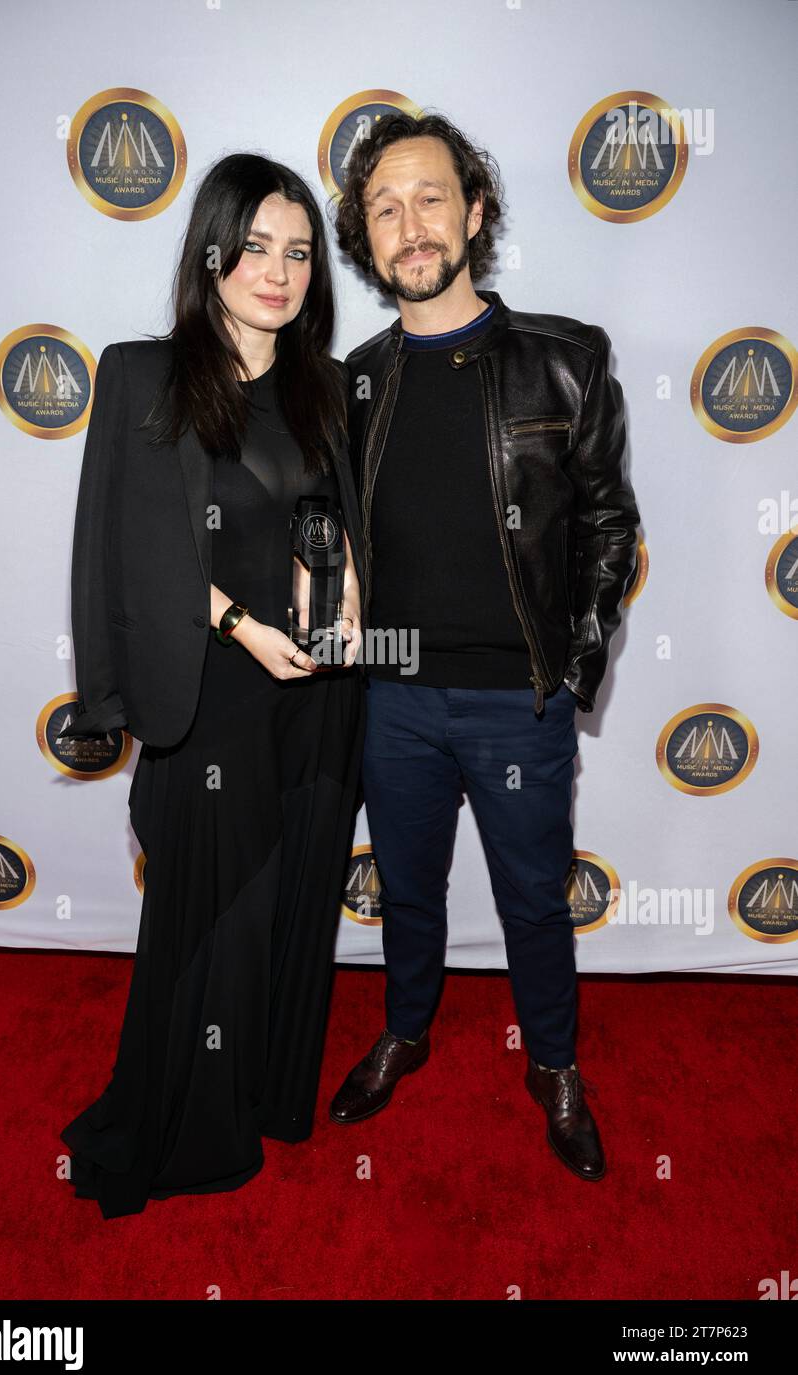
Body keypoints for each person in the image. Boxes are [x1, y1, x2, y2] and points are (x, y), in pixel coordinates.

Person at [329, 112, 642, 1181]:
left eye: (427, 198)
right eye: (382, 208)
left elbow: (609, 525)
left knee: (529, 898)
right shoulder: (350, 382)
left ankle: (551, 1064)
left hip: (520, 699)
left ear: (472, 212)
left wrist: (573, 671)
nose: (407, 225)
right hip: (393, 700)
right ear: (364, 240)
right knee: (406, 888)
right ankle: (404, 1028)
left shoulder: (565, 362)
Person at [59, 153, 365, 1219]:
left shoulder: (324, 384)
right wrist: (238, 624)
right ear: (211, 250)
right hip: (215, 692)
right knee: (212, 918)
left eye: (297, 252)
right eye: (255, 247)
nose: (275, 272)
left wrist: (349, 592)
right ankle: (185, 1127)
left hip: (317, 700)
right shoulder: (143, 375)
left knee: (286, 910)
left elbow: (331, 528)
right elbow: (126, 548)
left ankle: (264, 1094)